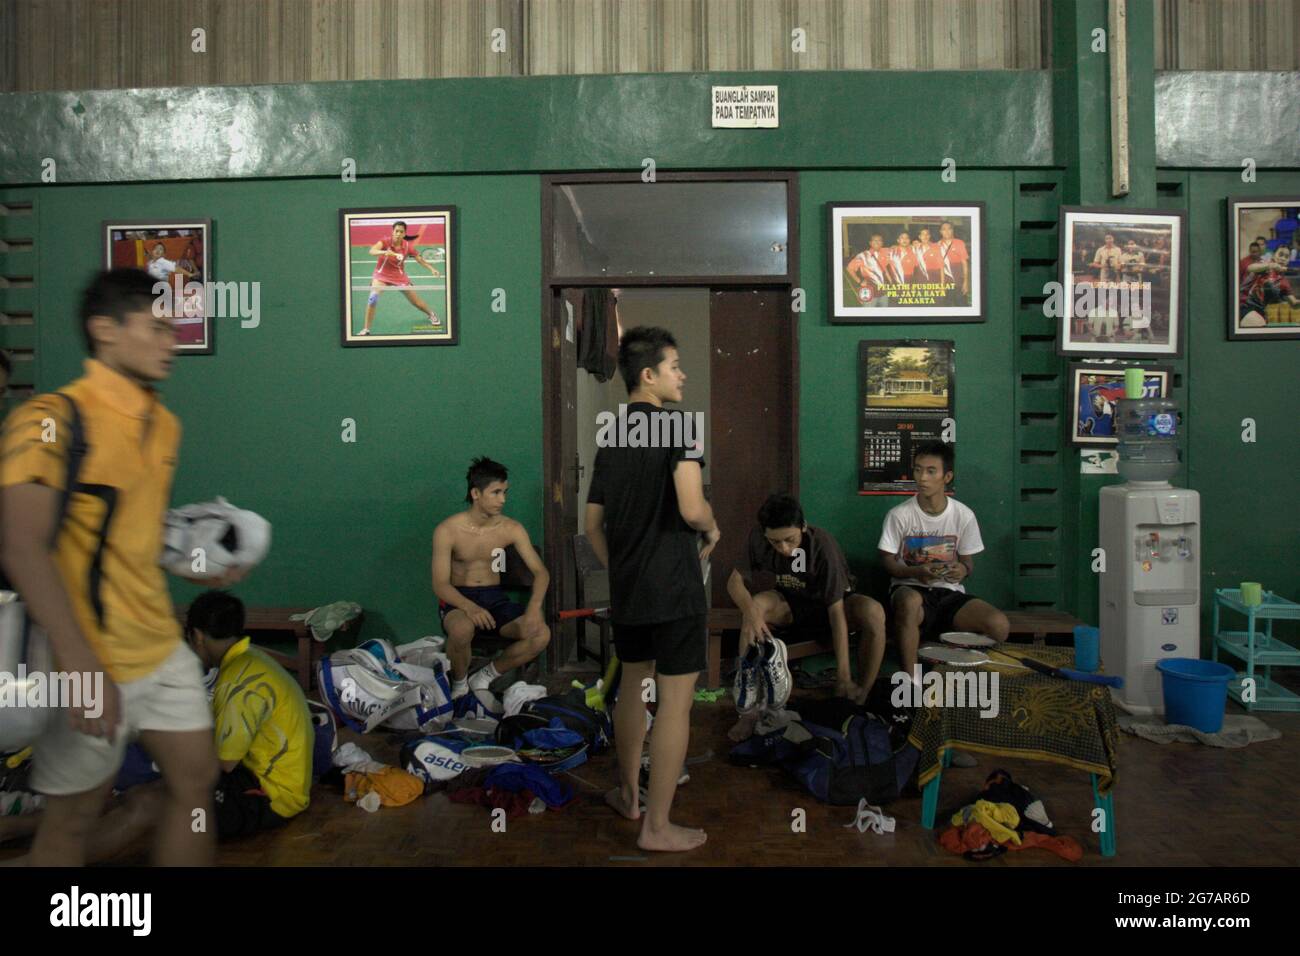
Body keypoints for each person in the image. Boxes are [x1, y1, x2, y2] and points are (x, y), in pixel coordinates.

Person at [0, 268, 245, 866]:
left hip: (160, 648)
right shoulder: (47, 422)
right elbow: (20, 545)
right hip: (84, 656)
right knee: (73, 821)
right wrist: (81, 666)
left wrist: (198, 562)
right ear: (105, 330)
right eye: (159, 328)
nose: (174, 342)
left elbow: (139, 539)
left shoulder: (163, 424)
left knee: (195, 782)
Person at [0, 591, 312, 860]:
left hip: (269, 796)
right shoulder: (252, 662)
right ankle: (14, 828)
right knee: (132, 794)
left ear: (197, 636)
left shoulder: (241, 682)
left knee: (149, 803)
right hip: (248, 777)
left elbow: (223, 763)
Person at [585, 325, 718, 852]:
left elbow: (593, 525)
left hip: (631, 592)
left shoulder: (611, 436)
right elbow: (690, 507)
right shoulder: (681, 428)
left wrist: (623, 568)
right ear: (649, 375)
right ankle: (657, 827)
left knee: (632, 688)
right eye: (675, 366)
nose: (682, 375)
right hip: (678, 591)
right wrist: (711, 523)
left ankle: (628, 796)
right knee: (674, 704)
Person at [726, 493, 886, 712]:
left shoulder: (822, 544)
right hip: (790, 603)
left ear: (803, 526)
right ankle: (748, 704)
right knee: (754, 605)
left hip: (830, 604)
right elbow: (734, 582)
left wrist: (843, 677)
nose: (783, 548)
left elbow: (836, 611)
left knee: (874, 611)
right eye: (775, 542)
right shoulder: (757, 538)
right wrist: (751, 613)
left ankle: (861, 696)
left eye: (789, 540)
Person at [878, 440, 1009, 679]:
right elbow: (887, 562)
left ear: (947, 476)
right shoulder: (899, 515)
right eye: (918, 469)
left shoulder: (963, 514)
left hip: (948, 594)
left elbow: (968, 562)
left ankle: (956, 670)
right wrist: (916, 573)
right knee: (908, 603)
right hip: (910, 589)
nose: (922, 478)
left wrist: (963, 569)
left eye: (930, 471)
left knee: (999, 625)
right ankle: (911, 682)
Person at [431, 457, 551, 700]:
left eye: (505, 492)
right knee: (463, 629)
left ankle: (485, 675)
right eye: (495, 493)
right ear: (476, 493)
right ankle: (460, 684)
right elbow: (440, 584)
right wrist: (469, 607)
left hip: (494, 599)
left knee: (541, 635)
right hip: (459, 599)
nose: (503, 500)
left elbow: (540, 572)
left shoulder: (510, 528)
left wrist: (535, 608)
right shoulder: (448, 530)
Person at [357, 221, 443, 336]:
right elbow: (372, 251)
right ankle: (366, 329)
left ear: (404, 234)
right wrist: (385, 252)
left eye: (401, 232)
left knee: (416, 302)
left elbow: (419, 259)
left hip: (399, 277)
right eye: (396, 231)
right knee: (373, 298)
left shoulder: (407, 246)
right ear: (392, 231)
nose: (398, 233)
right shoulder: (385, 241)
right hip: (381, 275)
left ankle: (431, 314)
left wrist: (432, 269)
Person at [844, 234, 888, 307]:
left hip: (884, 293)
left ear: (882, 243)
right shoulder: (863, 256)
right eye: (874, 240)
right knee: (868, 315)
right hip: (869, 292)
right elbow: (849, 268)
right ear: (870, 243)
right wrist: (860, 281)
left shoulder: (886, 253)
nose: (877, 242)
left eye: (879, 240)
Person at [937, 220, 969, 305]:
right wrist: (942, 285)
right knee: (946, 307)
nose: (947, 231)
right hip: (946, 283)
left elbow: (964, 263)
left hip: (959, 282)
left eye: (949, 229)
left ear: (952, 230)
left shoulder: (959, 243)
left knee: (962, 306)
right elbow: (941, 266)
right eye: (944, 229)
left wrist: (966, 282)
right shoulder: (938, 245)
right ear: (940, 232)